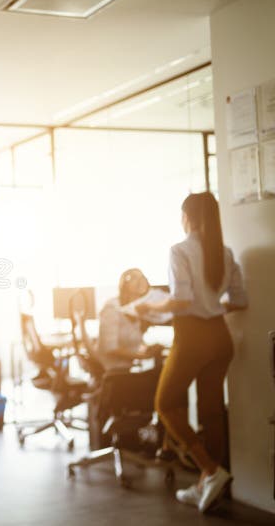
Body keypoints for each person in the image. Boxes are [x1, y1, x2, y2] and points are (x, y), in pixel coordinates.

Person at [136, 192, 247, 513]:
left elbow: (180, 299)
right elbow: (240, 301)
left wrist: (148, 307)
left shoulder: (179, 251)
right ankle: (205, 485)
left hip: (192, 337)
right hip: (220, 337)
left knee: (165, 403)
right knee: (212, 411)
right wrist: (213, 306)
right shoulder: (224, 253)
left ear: (186, 218)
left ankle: (211, 470)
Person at [97, 268, 161, 371]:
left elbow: (133, 343)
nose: (141, 280)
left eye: (142, 277)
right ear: (125, 284)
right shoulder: (111, 308)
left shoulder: (138, 309)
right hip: (111, 371)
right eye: (134, 277)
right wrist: (143, 357)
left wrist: (148, 349)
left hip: (129, 369)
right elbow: (110, 348)